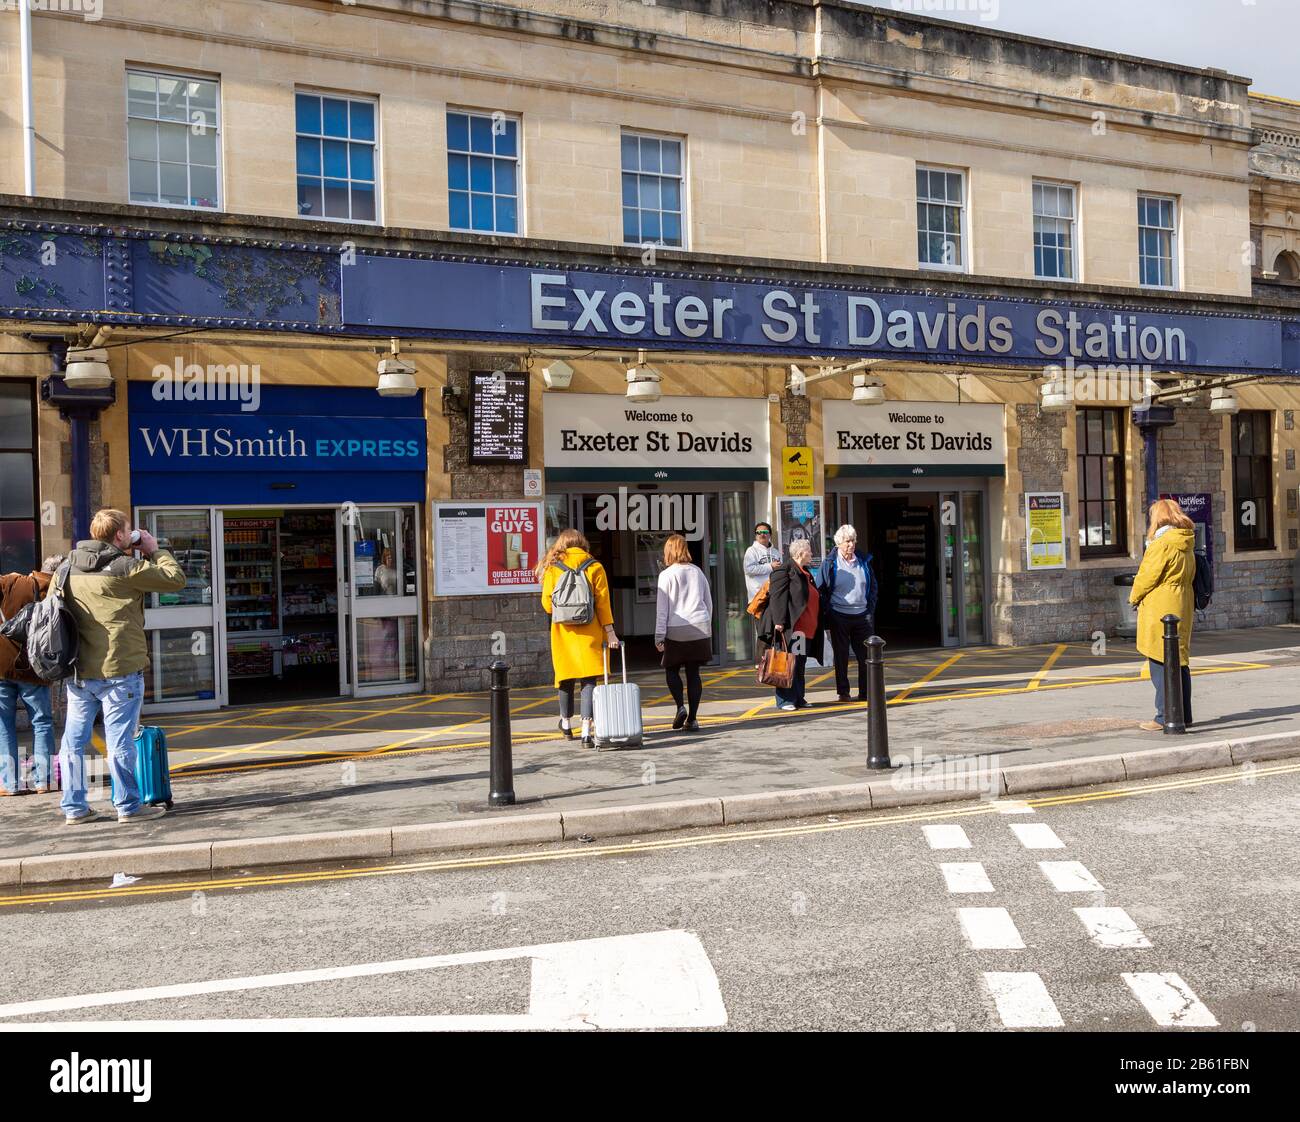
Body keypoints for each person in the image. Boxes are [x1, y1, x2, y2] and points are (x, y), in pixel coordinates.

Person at [58, 510, 187, 825]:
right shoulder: (125, 567)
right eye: (129, 530)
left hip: (79, 670)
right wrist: (153, 548)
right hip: (119, 669)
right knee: (120, 740)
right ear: (119, 536)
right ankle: (128, 806)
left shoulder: (66, 567)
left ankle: (74, 807)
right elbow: (176, 580)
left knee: (73, 739)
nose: (132, 533)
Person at [538, 529, 619, 748]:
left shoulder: (553, 567)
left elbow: (547, 605)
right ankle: (586, 731)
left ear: (561, 545)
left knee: (565, 678)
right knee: (588, 679)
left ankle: (565, 724)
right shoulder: (595, 566)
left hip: (563, 633)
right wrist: (610, 631)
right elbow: (603, 604)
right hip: (590, 631)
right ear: (583, 544)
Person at [1130, 498, 1196, 731]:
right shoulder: (1185, 540)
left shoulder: (1161, 544)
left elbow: (1147, 576)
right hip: (1182, 602)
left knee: (1160, 660)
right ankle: (1184, 715)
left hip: (1162, 603)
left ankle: (1163, 716)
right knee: (1180, 661)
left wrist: (1134, 596)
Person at [0, 555, 63, 795]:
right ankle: (43, 781)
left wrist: (11, 577)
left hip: (2, 665)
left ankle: (9, 783)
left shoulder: (16, 583)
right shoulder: (60, 594)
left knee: (3, 723)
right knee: (42, 722)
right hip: (37, 669)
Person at [654, 534, 713, 732]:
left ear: (668, 551)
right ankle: (693, 719)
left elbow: (662, 610)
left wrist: (659, 636)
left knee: (671, 669)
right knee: (693, 673)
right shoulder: (698, 572)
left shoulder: (666, 575)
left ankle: (680, 706)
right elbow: (708, 602)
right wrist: (707, 626)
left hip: (676, 629)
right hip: (699, 626)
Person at [757, 538, 823, 711]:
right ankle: (785, 700)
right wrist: (779, 622)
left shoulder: (805, 572)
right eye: (809, 551)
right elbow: (778, 597)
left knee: (799, 664)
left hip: (804, 629)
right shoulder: (785, 570)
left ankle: (798, 697)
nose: (811, 553)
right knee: (786, 663)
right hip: (791, 628)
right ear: (801, 553)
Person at [819, 524, 878, 703]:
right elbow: (821, 589)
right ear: (838, 543)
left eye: (853, 541)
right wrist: (828, 613)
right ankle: (843, 692)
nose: (851, 544)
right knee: (841, 655)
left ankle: (865, 692)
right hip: (839, 615)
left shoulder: (863, 560)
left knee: (866, 656)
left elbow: (873, 586)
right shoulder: (830, 563)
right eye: (847, 541)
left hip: (862, 616)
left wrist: (870, 608)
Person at [743, 522, 781, 603]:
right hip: (758, 597)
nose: (762, 534)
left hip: (774, 595)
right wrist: (770, 567)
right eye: (758, 532)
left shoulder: (776, 552)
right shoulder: (751, 550)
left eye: (765, 532)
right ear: (756, 536)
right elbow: (748, 570)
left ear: (770, 535)